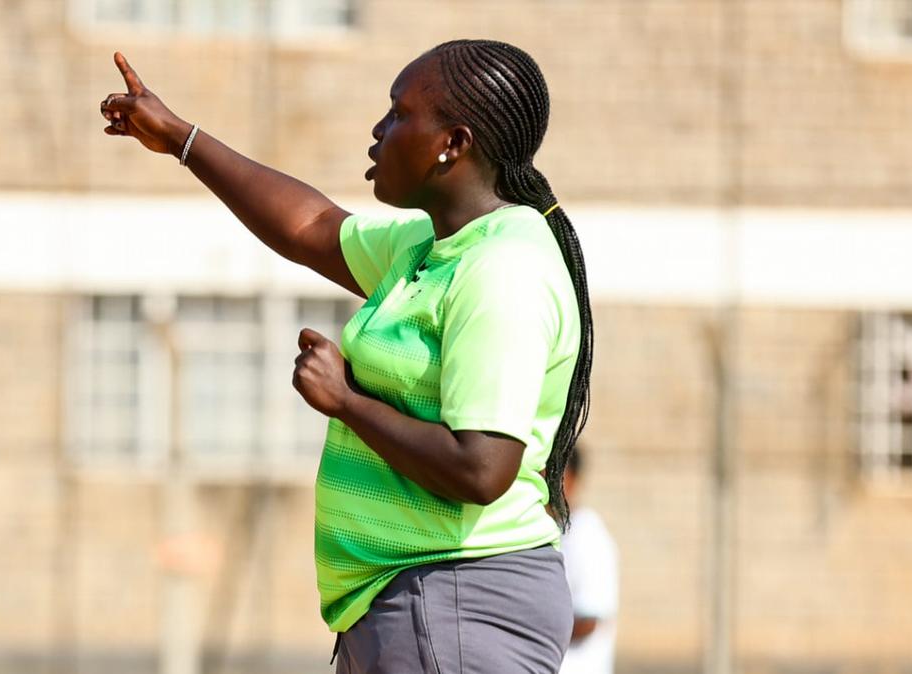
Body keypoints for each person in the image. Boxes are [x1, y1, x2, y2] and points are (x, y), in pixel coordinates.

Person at [100, 38, 594, 674]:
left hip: (454, 600)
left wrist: (345, 401)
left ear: (454, 143)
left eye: (398, 114)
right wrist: (181, 139)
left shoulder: (501, 270)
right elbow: (309, 228)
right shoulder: (432, 247)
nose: (378, 131)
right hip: (414, 601)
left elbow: (482, 469)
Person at [559, 448, 620, 674]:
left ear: (573, 478)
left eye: (555, 474)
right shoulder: (553, 532)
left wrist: (535, 627)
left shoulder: (587, 534)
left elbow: (588, 620)